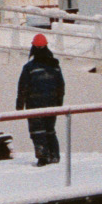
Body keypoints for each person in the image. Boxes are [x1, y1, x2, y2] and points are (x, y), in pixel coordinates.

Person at [16, 33, 65, 167]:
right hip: (51, 105)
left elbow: (22, 87)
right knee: (50, 130)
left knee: (37, 131)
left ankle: (43, 158)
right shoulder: (54, 65)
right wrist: (59, 104)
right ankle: (54, 155)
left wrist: (19, 106)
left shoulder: (29, 67)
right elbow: (61, 86)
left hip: (35, 106)